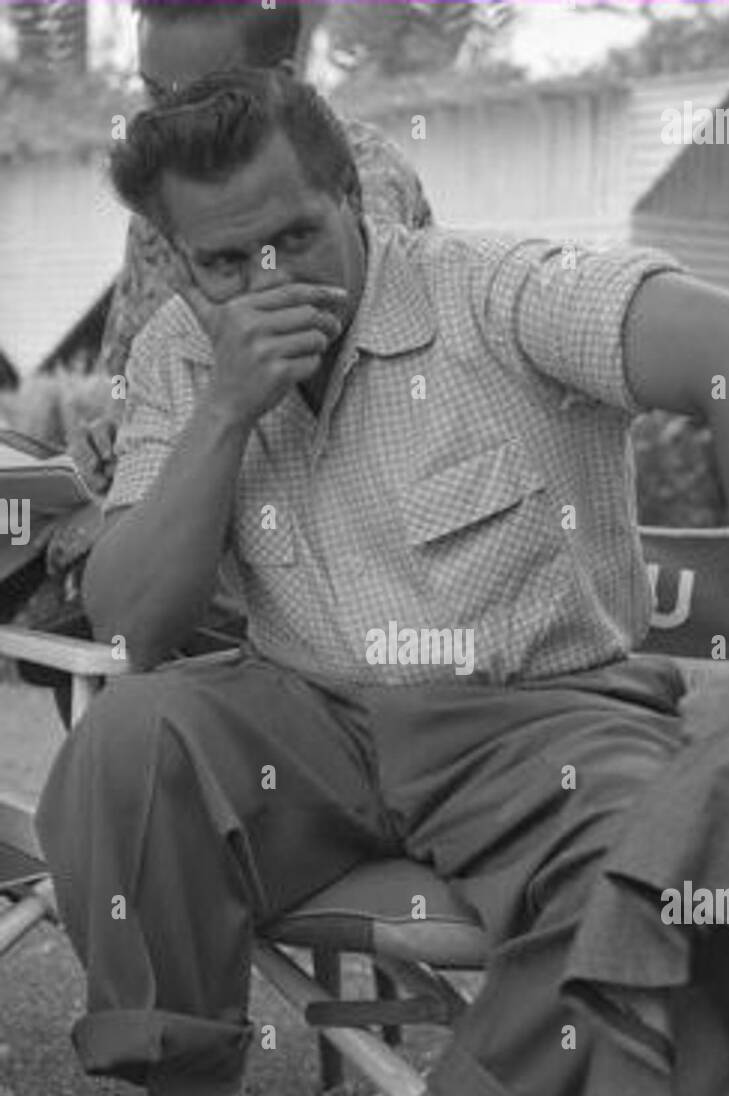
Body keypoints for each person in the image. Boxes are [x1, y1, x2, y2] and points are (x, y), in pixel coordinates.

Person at [34, 68, 729, 1096]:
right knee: (128, 742)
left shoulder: (494, 287)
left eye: (296, 234)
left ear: (357, 195)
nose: (267, 281)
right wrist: (228, 414)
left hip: (540, 718)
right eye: (223, 260)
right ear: (176, 259)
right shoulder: (178, 355)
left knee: (659, 857)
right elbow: (134, 613)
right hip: (302, 715)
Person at [5, 0, 431, 708]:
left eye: (199, 96)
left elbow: (318, 369)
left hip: (307, 543)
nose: (165, 126)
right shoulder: (164, 203)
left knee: (114, 604)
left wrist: (199, 423)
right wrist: (118, 437)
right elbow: (138, 383)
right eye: (151, 96)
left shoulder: (352, 177)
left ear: (283, 78)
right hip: (175, 497)